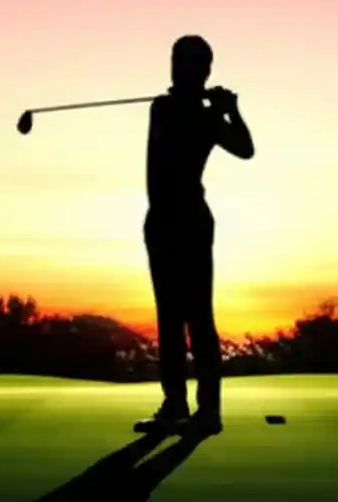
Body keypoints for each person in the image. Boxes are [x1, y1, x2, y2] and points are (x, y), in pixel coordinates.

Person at [134, 34, 254, 437]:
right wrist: (218, 110)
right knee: (168, 319)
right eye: (175, 58)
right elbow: (179, 124)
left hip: (191, 221)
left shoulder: (204, 116)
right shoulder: (165, 108)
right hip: (160, 221)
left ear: (203, 68)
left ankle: (208, 411)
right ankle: (174, 405)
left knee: (198, 317)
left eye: (186, 61)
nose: (177, 66)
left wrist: (230, 112)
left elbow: (246, 148)